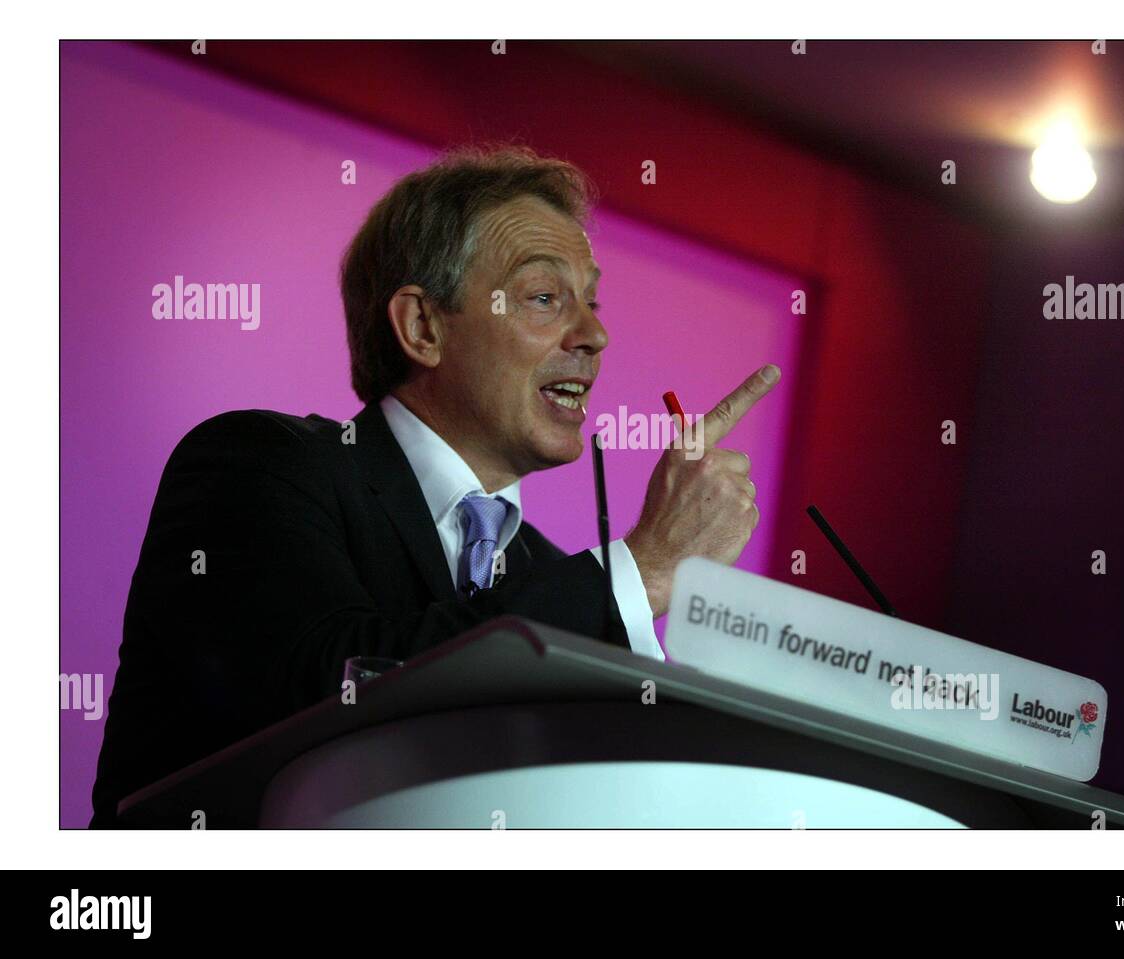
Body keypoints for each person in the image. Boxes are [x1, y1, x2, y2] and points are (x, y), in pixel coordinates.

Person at [90, 145, 780, 826]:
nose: (595, 335)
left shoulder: (544, 574)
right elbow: (333, 693)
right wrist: (644, 567)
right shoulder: (257, 464)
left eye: (592, 305)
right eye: (545, 297)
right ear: (422, 326)